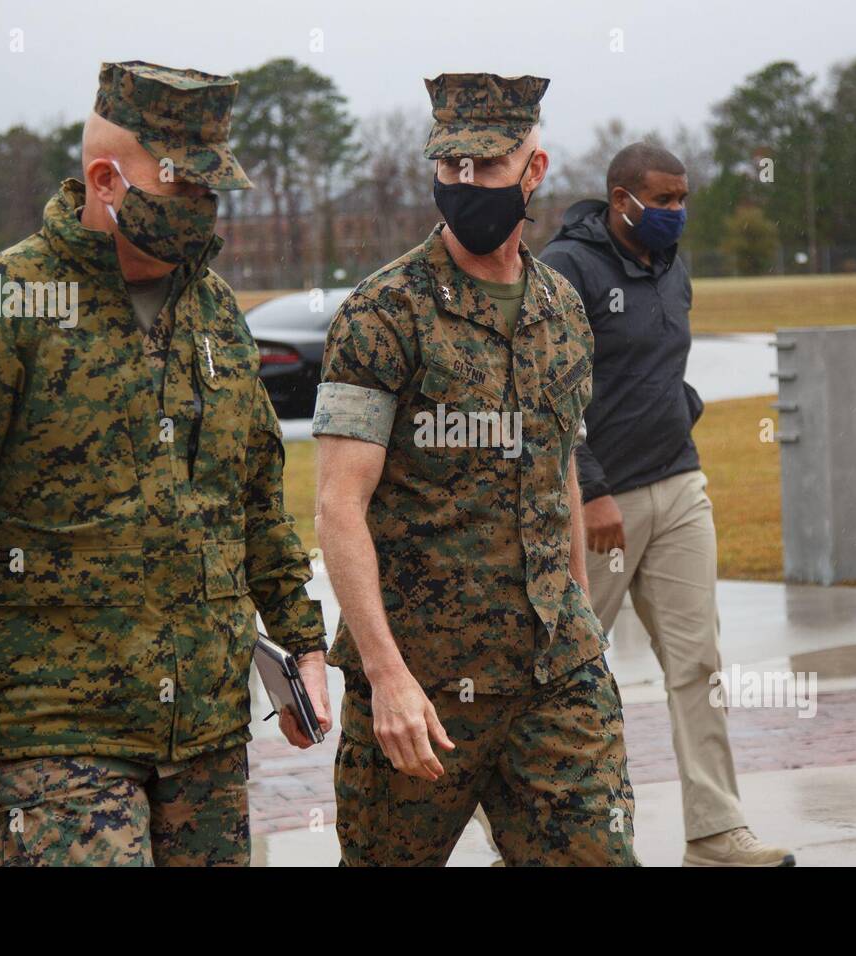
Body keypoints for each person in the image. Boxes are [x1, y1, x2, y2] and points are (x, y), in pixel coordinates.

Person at [0, 61, 329, 867]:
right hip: (58, 729)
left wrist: (304, 646)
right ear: (104, 180)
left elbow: (256, 499)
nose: (202, 207)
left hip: (205, 731)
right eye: (181, 186)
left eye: (211, 189)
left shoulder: (214, 311)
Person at [311, 72, 636, 866]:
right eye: (451, 165)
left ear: (534, 170)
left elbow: (559, 472)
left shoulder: (562, 309)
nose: (466, 182)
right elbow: (338, 507)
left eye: (488, 166)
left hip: (554, 679)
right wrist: (386, 675)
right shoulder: (383, 314)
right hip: (423, 685)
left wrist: (580, 622)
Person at [540, 142, 794, 866]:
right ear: (622, 199)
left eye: (683, 199)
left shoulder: (673, 266)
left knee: (698, 661)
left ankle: (715, 831)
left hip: (679, 484)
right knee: (566, 670)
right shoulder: (566, 268)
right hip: (597, 502)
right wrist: (591, 488)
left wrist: (681, 408)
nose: (676, 212)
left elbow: (660, 361)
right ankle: (531, 836)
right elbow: (551, 392)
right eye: (663, 199)